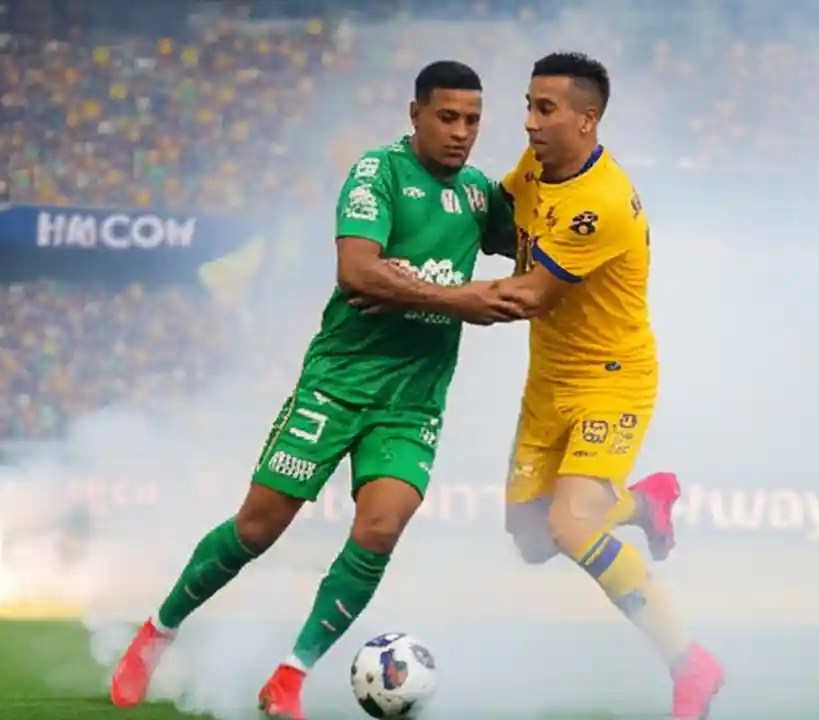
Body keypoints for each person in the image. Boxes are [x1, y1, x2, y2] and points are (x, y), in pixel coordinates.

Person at [108, 60, 521, 720]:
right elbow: (358, 271)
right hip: (336, 384)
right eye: (447, 117)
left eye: (473, 121)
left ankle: (289, 677)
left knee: (382, 526)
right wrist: (456, 299)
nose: (461, 133)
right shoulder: (376, 173)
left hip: (412, 401)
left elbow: (535, 252)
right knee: (258, 527)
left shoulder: (477, 195)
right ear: (414, 114)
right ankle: (157, 631)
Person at [460, 51, 727, 718]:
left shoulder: (598, 204)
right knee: (531, 539)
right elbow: (504, 226)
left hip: (612, 380)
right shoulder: (539, 169)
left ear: (588, 118)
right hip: (548, 379)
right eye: (527, 106)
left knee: (573, 526)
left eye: (544, 110)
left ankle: (691, 664)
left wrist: (420, 295)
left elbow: (531, 293)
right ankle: (643, 502)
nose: (528, 122)